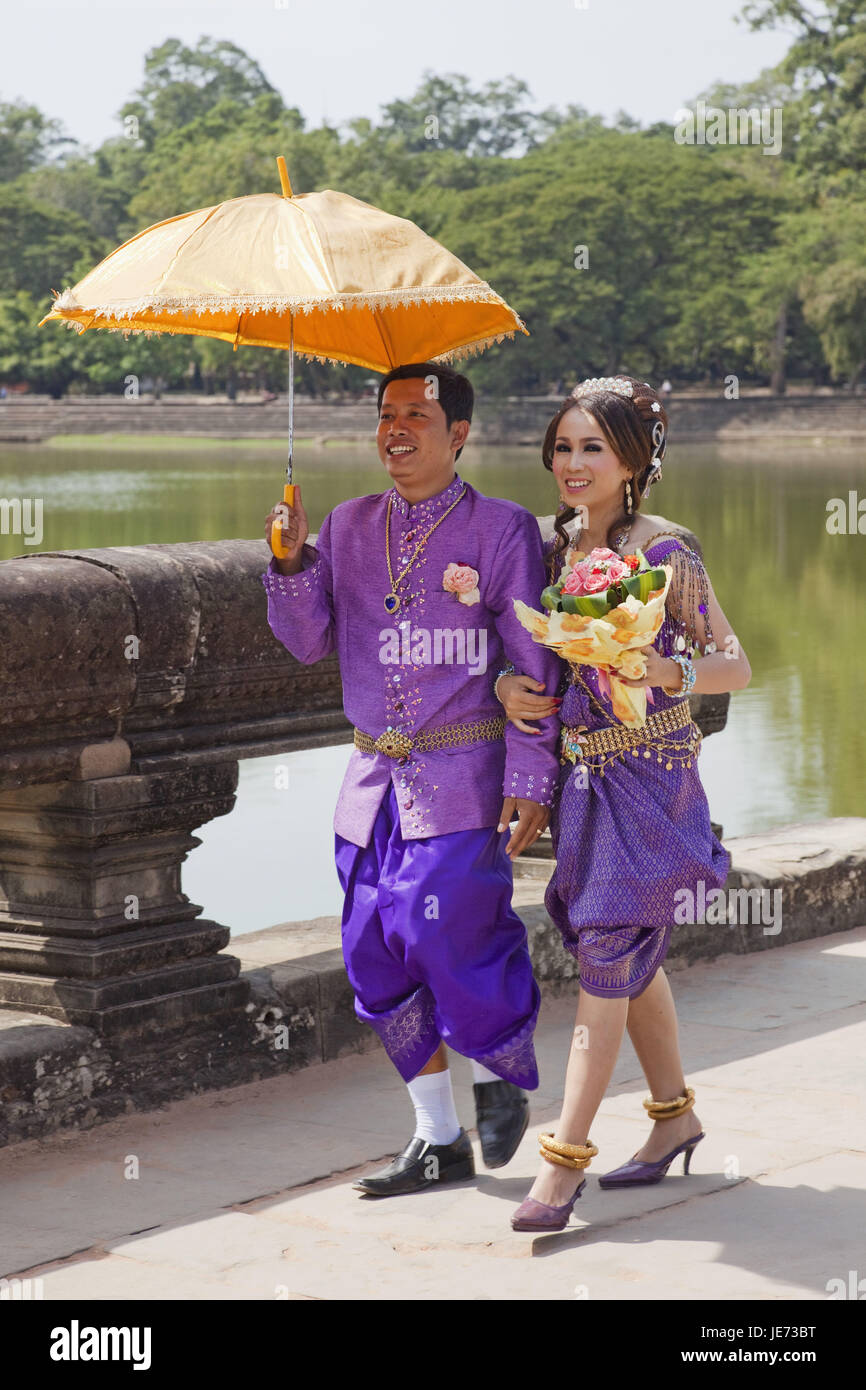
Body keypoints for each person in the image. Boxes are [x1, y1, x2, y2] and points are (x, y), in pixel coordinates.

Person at [261, 362, 562, 1198]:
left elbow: (535, 664)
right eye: (386, 414)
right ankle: (436, 1137)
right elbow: (307, 641)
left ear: (458, 433)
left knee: (449, 929)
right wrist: (289, 562)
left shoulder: (500, 531)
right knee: (370, 952)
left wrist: (534, 775)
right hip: (369, 781)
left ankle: (502, 1067)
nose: (396, 429)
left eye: (416, 416)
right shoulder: (349, 526)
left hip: (463, 773)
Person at [495, 376, 751, 1232]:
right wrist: (508, 685)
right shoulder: (556, 549)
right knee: (624, 950)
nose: (573, 464)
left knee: (604, 957)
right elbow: (534, 662)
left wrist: (662, 670)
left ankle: (561, 1168)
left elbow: (734, 664)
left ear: (633, 459)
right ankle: (674, 1116)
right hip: (582, 783)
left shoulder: (665, 553)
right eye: (563, 447)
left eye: (592, 448)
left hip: (652, 780)